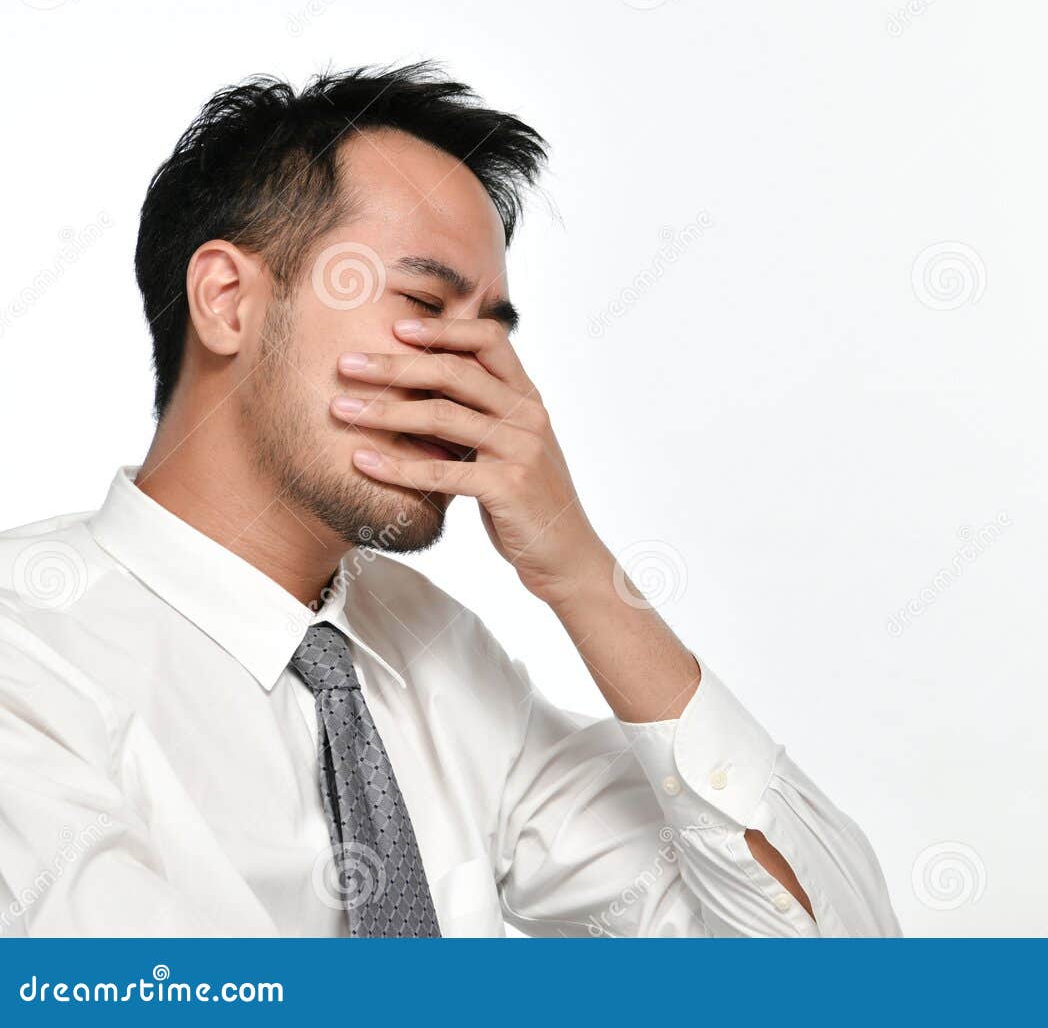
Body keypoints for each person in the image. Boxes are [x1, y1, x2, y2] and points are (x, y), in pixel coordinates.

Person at [0, 64, 899, 937]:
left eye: (488, 334)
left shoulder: (440, 661)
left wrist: (579, 569)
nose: (474, 378)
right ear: (229, 300)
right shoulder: (28, 656)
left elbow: (834, 975)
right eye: (424, 303)